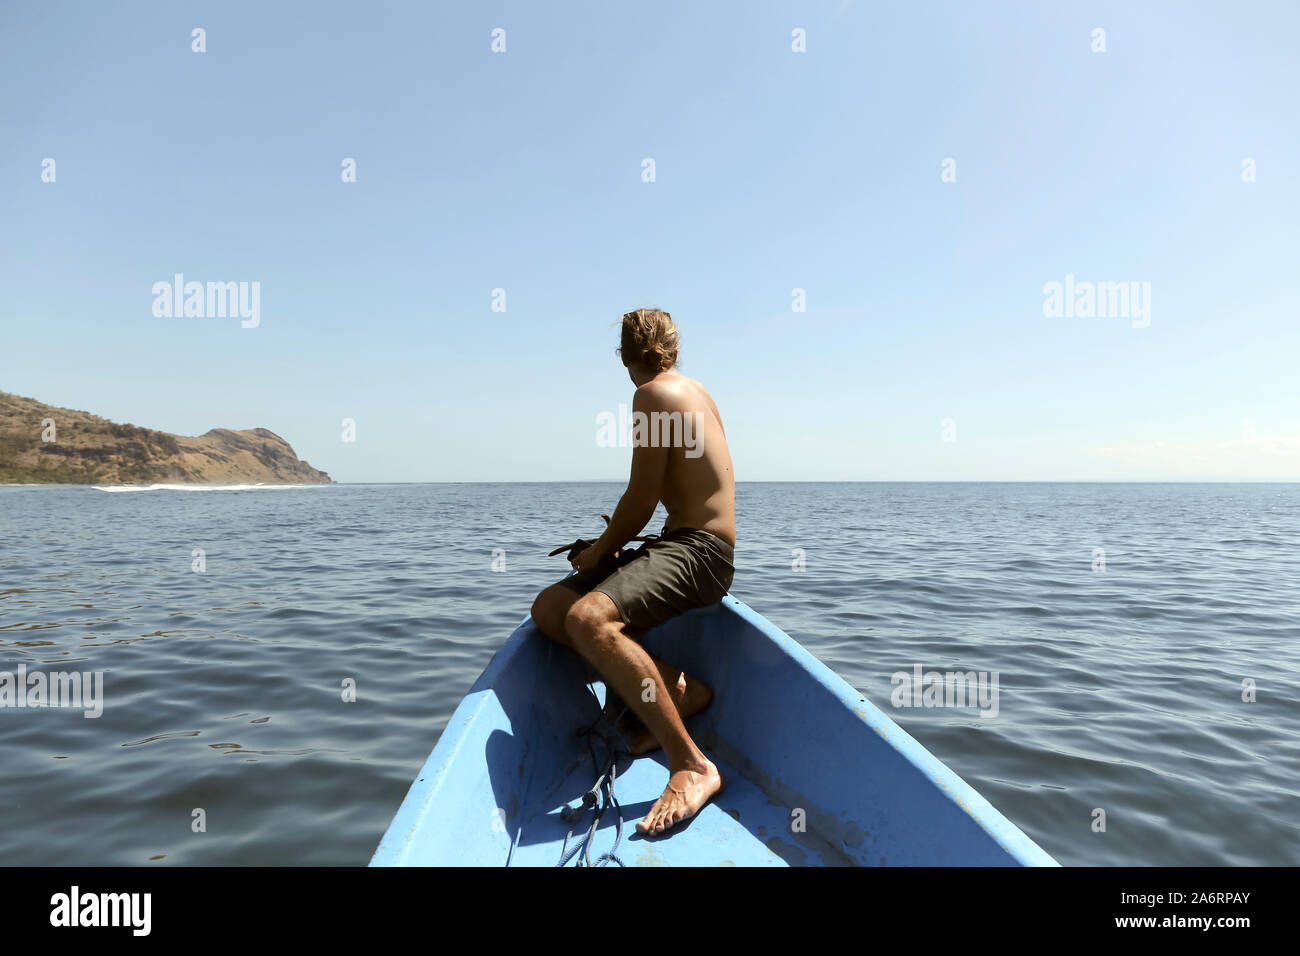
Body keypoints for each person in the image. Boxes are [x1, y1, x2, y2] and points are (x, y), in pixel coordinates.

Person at [530, 308, 736, 836]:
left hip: (701, 550)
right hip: (684, 542)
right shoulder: (695, 391)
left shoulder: (652, 396)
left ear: (624, 358)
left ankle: (691, 765)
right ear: (674, 347)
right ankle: (679, 691)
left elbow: (641, 500)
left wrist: (600, 553)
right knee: (550, 609)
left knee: (587, 620)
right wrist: (614, 547)